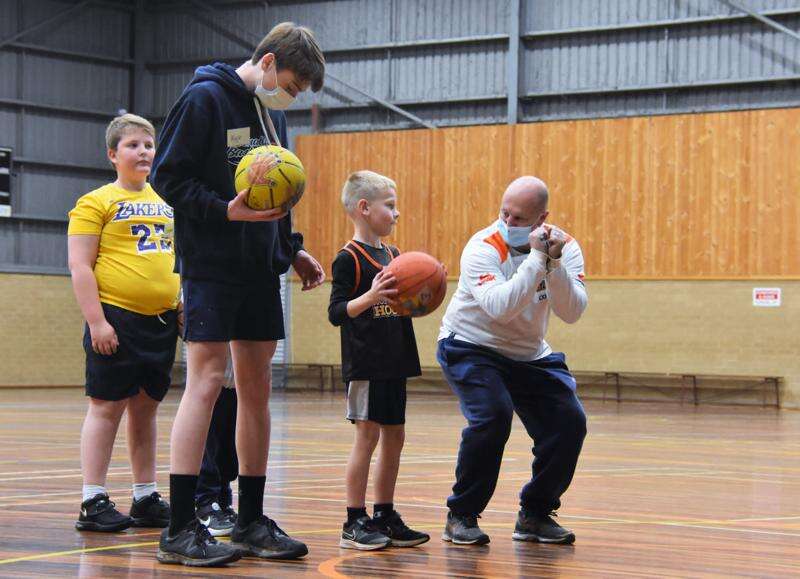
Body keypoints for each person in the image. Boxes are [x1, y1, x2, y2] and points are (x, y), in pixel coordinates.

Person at [151, 22, 326, 566]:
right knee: (205, 381)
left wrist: (291, 247)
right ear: (269, 61)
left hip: (258, 269)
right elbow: (167, 177)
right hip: (211, 265)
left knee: (256, 390)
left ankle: (249, 519)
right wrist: (223, 210)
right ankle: (180, 527)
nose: (290, 96)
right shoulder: (204, 98)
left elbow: (281, 192)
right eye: (292, 85)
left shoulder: (268, 118)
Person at [436, 176, 588, 546]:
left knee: (569, 422)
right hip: (472, 344)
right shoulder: (482, 246)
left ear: (542, 219)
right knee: (492, 416)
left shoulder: (564, 247)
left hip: (528, 352)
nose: (508, 222)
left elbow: (572, 311)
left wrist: (552, 264)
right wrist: (536, 260)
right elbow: (500, 308)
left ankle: (535, 513)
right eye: (504, 212)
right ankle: (461, 514)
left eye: (519, 218)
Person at [68, 113, 178, 533]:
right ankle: (92, 498)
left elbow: (173, 258)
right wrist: (97, 322)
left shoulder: (167, 201)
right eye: (133, 145)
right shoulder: (96, 202)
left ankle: (145, 495)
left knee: (146, 408)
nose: (144, 152)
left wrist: (180, 299)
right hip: (115, 317)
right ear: (113, 154)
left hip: (161, 321)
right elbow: (80, 267)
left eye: (149, 144)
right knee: (106, 406)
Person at [328, 170, 430, 551]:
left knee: (395, 438)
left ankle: (384, 514)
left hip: (396, 358)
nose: (396, 213)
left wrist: (428, 289)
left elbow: (406, 304)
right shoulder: (347, 259)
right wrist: (369, 297)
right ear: (364, 208)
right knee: (366, 437)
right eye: (390, 206)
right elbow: (337, 312)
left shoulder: (395, 255)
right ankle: (354, 519)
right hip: (367, 363)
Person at [195, 356, 238, 537]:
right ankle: (204, 502)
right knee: (208, 437)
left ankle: (222, 499)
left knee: (228, 441)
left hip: (234, 379)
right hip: (211, 363)